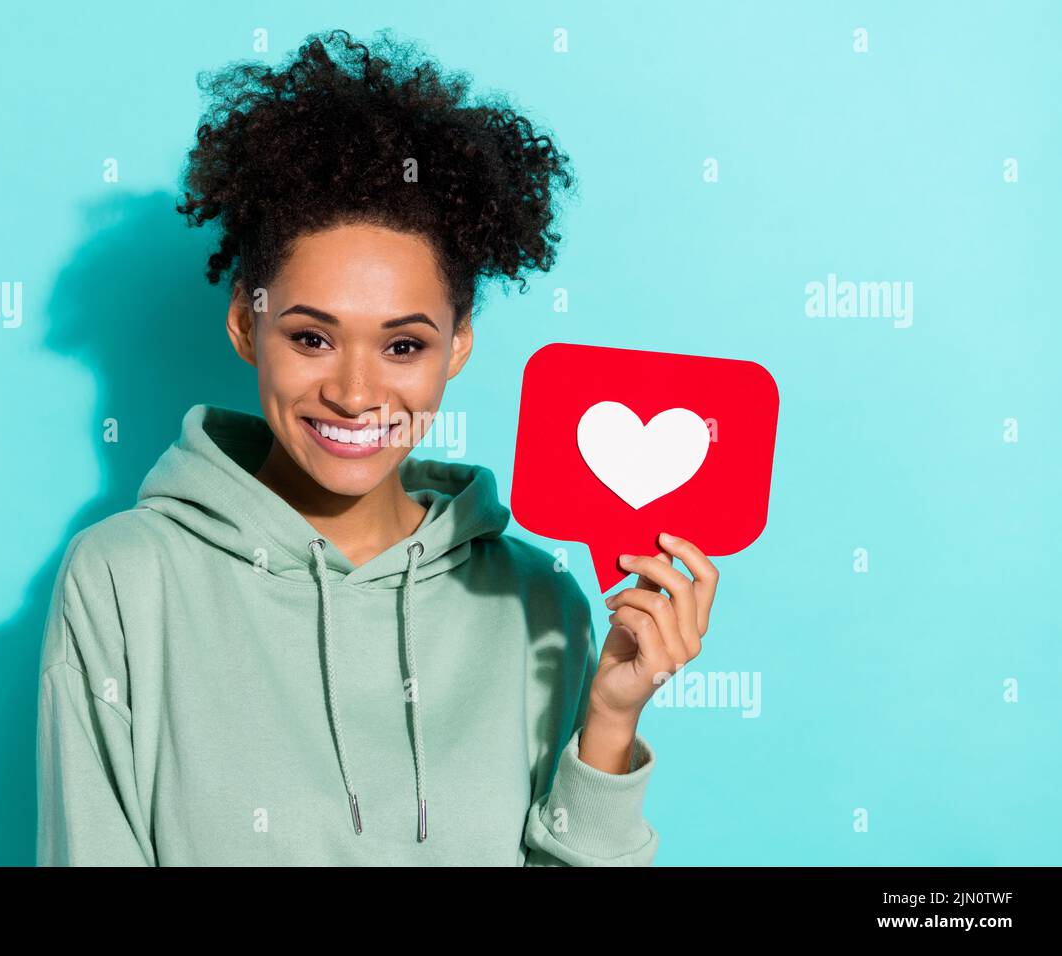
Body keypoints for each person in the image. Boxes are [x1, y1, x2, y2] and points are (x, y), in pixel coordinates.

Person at [36, 28, 718, 866]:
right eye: (312, 338)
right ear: (247, 326)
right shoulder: (124, 579)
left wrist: (611, 717)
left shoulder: (541, 601)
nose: (356, 395)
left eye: (404, 346)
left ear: (457, 347)